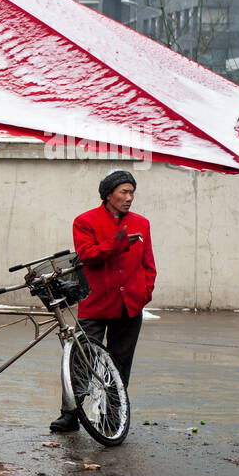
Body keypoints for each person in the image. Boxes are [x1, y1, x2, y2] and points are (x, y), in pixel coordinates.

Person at [51, 169, 157, 433]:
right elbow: (87, 255)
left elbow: (148, 264)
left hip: (130, 304)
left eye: (132, 192)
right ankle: (71, 414)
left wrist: (145, 292)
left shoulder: (141, 223)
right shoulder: (85, 221)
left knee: (120, 363)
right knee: (82, 359)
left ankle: (112, 415)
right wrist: (118, 243)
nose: (130, 197)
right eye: (124, 192)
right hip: (96, 303)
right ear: (108, 194)